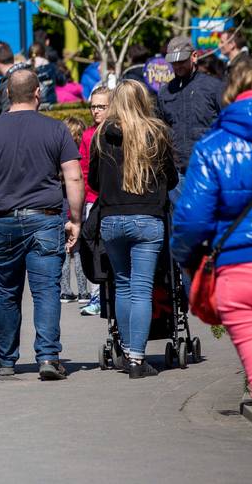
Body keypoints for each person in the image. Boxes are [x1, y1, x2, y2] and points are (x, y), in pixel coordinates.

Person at [171, 62, 252, 484]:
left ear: (231, 95)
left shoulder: (215, 144)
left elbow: (190, 224)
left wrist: (191, 265)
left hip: (244, 275)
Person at [0, 68, 83, 380]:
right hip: (45, 220)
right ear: (38, 93)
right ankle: (48, 356)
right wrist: (76, 219)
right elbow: (73, 175)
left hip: (4, 223)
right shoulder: (56, 130)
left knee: (6, 292)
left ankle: (5, 359)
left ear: (7, 96)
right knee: (46, 291)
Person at [90, 81, 178, 378]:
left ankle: (128, 351)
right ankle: (137, 359)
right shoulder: (156, 133)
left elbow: (93, 180)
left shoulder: (102, 136)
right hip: (147, 217)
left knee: (123, 286)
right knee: (142, 289)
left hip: (112, 218)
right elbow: (172, 178)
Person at [156, 35, 223, 186]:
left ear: (194, 57)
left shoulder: (213, 87)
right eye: (174, 63)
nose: (178, 66)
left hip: (207, 168)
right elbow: (160, 129)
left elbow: (227, 124)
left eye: (181, 61)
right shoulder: (165, 92)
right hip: (176, 172)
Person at [78, 86, 111, 316]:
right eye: (93, 106)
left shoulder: (119, 130)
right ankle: (96, 296)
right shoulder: (88, 135)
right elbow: (82, 170)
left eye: (101, 106)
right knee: (93, 248)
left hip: (114, 201)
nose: (95, 111)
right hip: (92, 199)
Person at [58, 116, 90, 304]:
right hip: (78, 204)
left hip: (61, 206)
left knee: (64, 250)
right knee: (78, 250)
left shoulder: (58, 156)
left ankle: (65, 291)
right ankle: (84, 291)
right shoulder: (80, 156)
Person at [0, 41, 57, 113]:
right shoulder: (50, 67)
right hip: (49, 103)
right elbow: (61, 81)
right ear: (44, 54)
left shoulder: (23, 71)